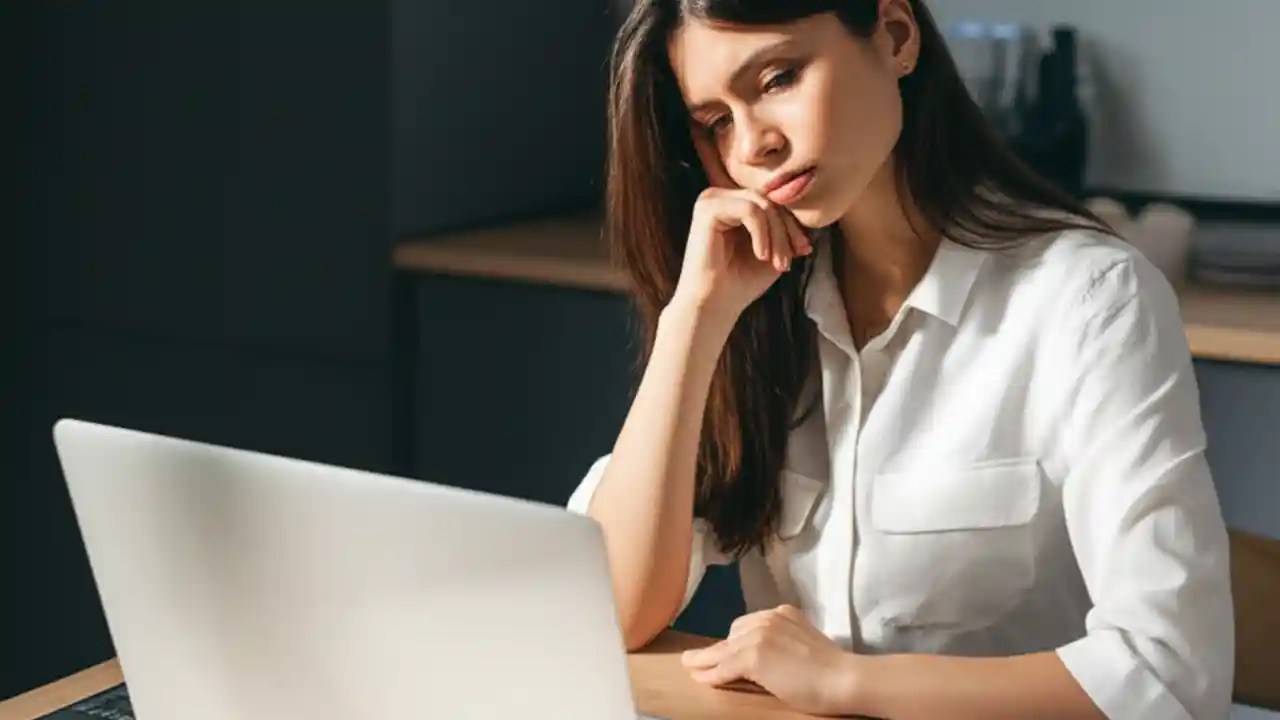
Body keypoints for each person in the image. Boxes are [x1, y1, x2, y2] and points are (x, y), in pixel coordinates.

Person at [566, 1, 1234, 717]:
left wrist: (845, 682)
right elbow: (604, 615)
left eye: (778, 78)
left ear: (894, 37)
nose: (752, 145)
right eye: (716, 123)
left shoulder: (1089, 298)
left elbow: (1173, 674)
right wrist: (692, 322)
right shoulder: (756, 307)